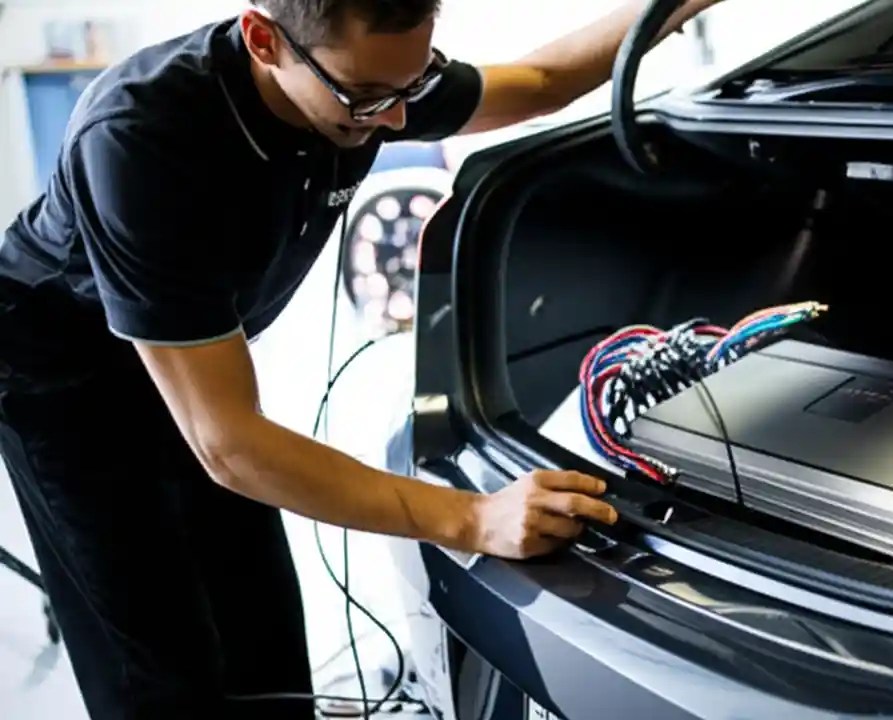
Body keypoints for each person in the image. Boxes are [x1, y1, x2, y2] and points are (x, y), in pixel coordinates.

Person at [0, 0, 718, 717]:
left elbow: (540, 79)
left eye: (412, 86)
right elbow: (230, 447)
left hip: (197, 360)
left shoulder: (372, 76)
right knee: (161, 666)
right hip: (62, 377)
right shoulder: (142, 136)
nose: (399, 121)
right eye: (367, 99)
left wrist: (678, 4)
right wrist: (471, 519)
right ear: (263, 40)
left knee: (262, 637)